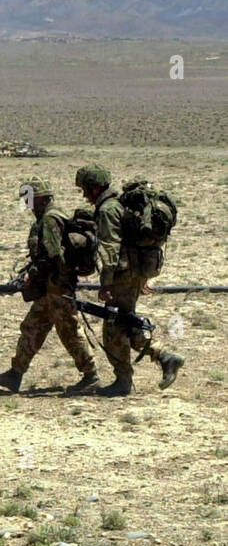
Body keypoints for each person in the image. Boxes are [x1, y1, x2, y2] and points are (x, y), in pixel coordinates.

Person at [75, 164, 183, 396]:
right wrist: (140, 277)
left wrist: (106, 284)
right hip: (133, 272)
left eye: (84, 189)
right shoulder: (119, 204)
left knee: (114, 327)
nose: (84, 194)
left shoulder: (107, 210)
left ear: (94, 188)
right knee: (124, 322)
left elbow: (110, 250)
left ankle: (125, 380)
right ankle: (163, 357)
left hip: (123, 275)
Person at [0, 177, 98, 395]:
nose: (27, 203)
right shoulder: (46, 218)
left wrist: (34, 274)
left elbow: (52, 255)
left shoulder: (49, 219)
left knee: (68, 330)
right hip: (49, 287)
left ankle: (91, 375)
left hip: (56, 286)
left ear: (42, 198)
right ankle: (15, 374)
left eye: (30, 198)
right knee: (32, 327)